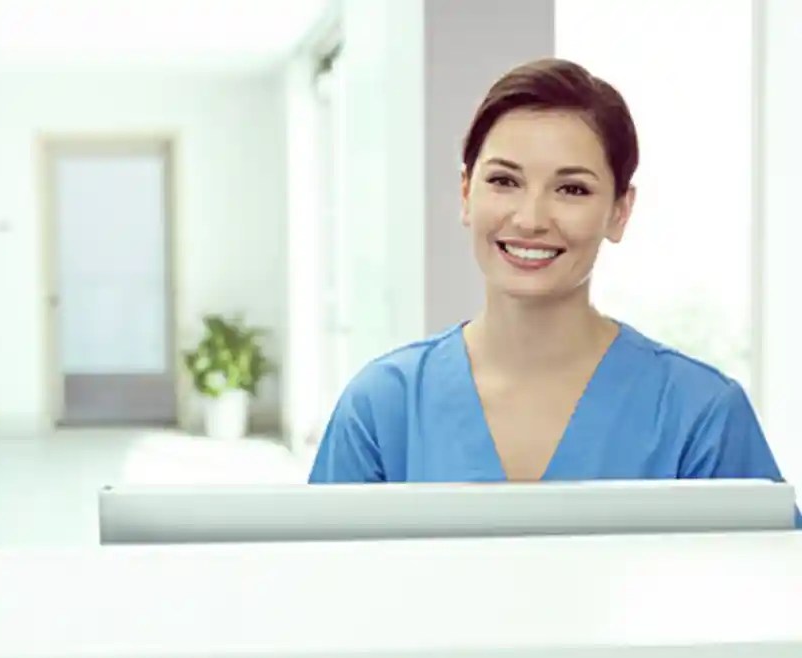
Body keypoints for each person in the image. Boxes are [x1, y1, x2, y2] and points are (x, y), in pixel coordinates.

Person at [309, 58, 785, 491]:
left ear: (620, 211)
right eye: (504, 181)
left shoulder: (701, 415)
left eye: (572, 189)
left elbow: (762, 582)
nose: (531, 218)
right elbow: (318, 579)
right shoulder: (382, 410)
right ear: (465, 194)